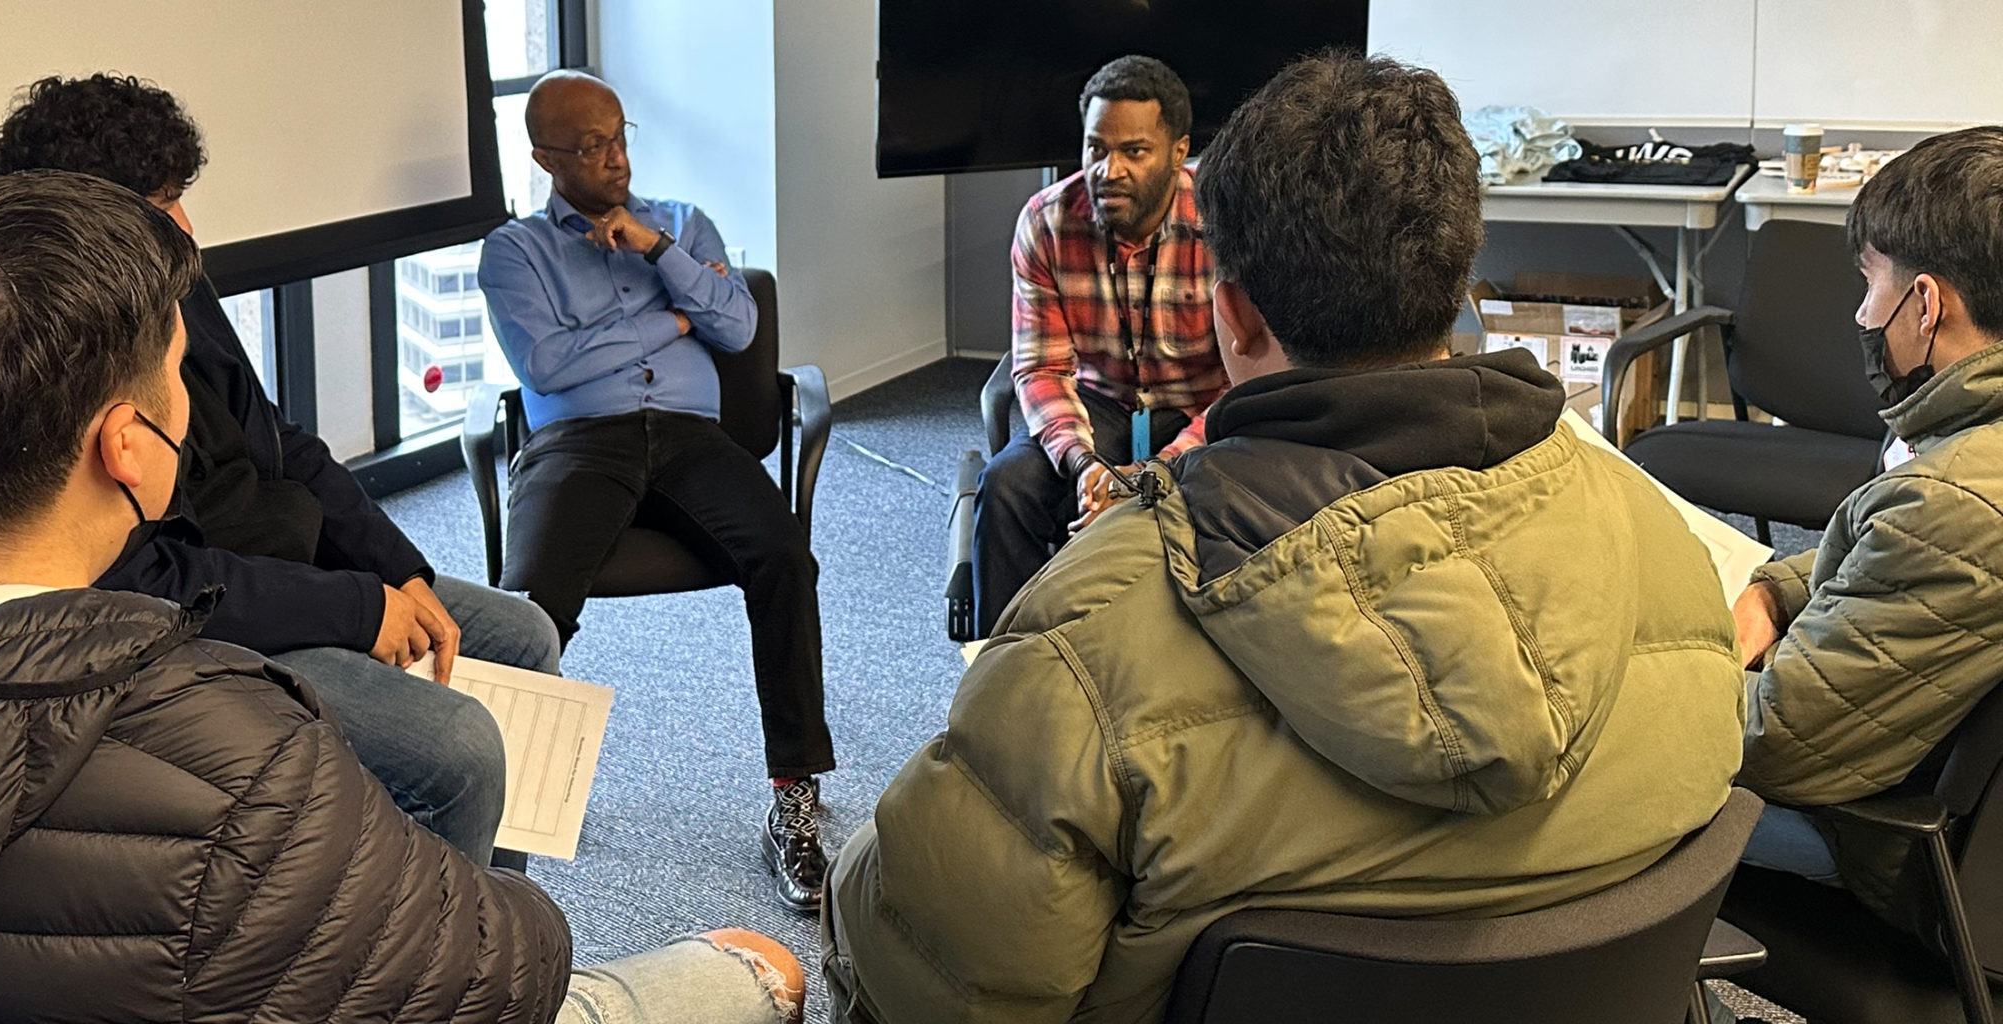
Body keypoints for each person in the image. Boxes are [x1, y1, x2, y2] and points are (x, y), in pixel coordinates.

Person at [822, 54, 1747, 1023]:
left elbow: (927, 967)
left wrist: (859, 863)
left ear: (1230, 316)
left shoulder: (1077, 650)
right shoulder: (1669, 548)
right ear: (1455, 281)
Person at [0, 170, 804, 1024]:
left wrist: (398, 575)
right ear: (127, 447)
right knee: (758, 972)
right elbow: (497, 977)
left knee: (527, 629)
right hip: (457, 961)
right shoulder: (252, 761)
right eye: (177, 376)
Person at [0, 73, 563, 867]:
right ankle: (460, 962)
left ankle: (503, 901)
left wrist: (399, 569)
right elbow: (144, 577)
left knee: (520, 636)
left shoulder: (176, 285)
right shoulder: (50, 365)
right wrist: (360, 609)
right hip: (220, 612)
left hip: (287, 559)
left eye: (179, 195)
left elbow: (285, 443)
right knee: (456, 749)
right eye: (159, 204)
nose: (185, 223)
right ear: (90, 228)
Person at [476, 71, 834, 912]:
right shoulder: (515, 251)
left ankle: (794, 799)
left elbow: (739, 326)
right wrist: (673, 319)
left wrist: (655, 252)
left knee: (783, 557)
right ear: (545, 157)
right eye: (591, 146)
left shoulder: (677, 224)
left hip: (689, 437)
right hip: (576, 443)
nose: (614, 159)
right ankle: (499, 821)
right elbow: (547, 367)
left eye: (619, 136)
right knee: (526, 608)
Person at [1731, 126, 2003, 916]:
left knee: (1576, 780)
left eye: (1871, 284)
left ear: (1925, 304)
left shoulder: (1954, 499)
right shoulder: (1962, 463)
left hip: (1900, 853)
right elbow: (1901, 561)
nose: (1861, 311)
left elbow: (1773, 747)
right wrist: (1777, 590)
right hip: (1947, 806)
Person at [970, 54, 1227, 634]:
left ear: (1178, 151)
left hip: (1202, 413)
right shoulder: (1046, 222)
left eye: (1134, 151)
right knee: (1008, 487)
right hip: (1102, 406)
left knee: (1234, 506)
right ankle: (998, 673)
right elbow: (1040, 368)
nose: (1109, 170)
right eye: (1095, 149)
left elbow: (1248, 379)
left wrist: (1150, 474)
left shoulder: (1226, 223)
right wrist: (1085, 463)